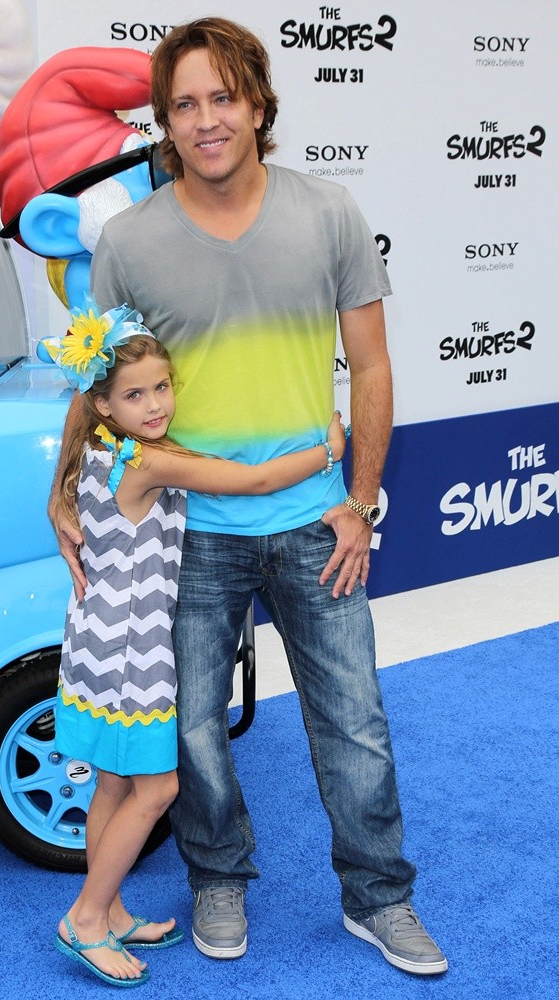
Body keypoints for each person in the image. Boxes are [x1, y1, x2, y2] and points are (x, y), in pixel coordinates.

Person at [50, 15, 448, 978]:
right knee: (192, 732)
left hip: (316, 520)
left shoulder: (330, 213)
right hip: (185, 535)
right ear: (164, 123)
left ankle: (378, 896)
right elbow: (95, 385)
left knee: (354, 722)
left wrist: (361, 501)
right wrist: (61, 493)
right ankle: (216, 879)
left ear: (259, 104)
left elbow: (373, 366)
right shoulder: (130, 243)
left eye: (222, 97)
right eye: (184, 105)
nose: (206, 120)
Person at [49, 299, 347, 987]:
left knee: (113, 782)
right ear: (102, 403)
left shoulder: (97, 450)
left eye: (161, 386)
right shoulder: (147, 462)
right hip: (133, 653)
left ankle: (110, 908)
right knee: (158, 787)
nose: (155, 404)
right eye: (135, 394)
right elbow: (254, 481)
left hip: (95, 642)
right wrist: (329, 448)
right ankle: (86, 919)